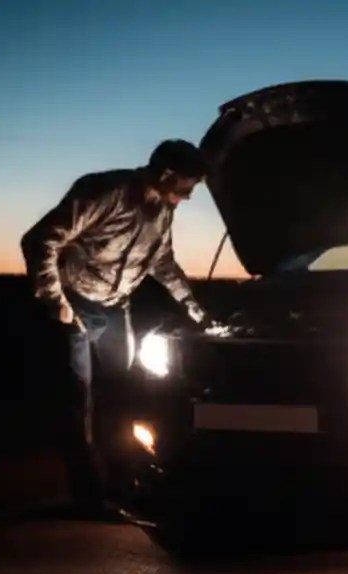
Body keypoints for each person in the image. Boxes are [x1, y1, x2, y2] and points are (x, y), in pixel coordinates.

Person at [21, 139, 209, 513]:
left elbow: (162, 262)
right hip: (75, 305)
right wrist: (55, 302)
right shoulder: (105, 191)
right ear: (168, 174)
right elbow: (40, 239)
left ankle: (125, 482)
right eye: (187, 187)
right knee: (79, 398)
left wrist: (194, 307)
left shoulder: (163, 211)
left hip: (115, 308)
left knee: (124, 393)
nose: (187, 197)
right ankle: (87, 494)